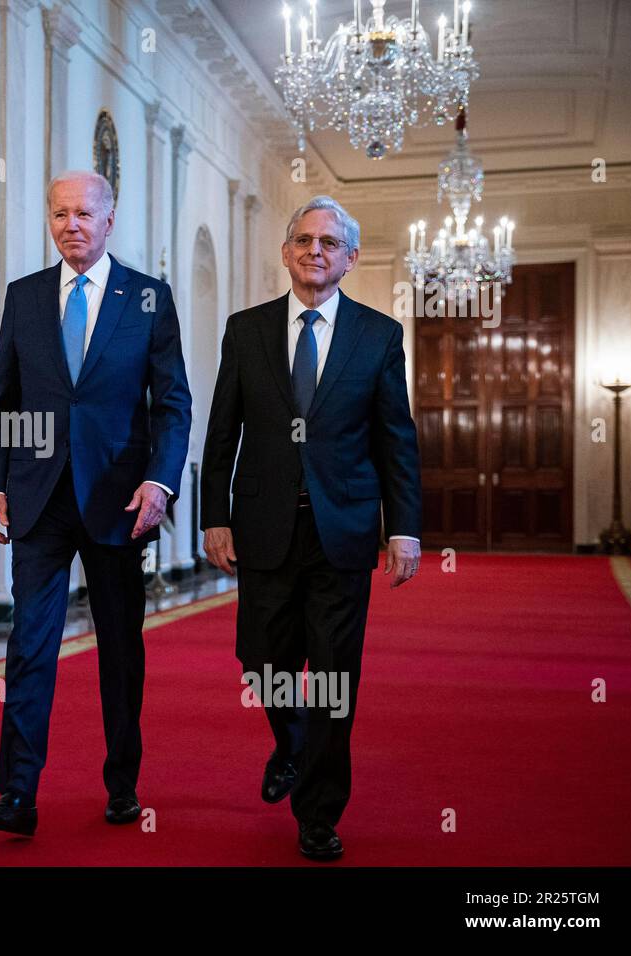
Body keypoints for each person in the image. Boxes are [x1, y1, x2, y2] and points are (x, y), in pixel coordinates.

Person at [199, 195, 421, 861]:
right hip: (263, 528)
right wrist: (213, 517)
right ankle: (291, 741)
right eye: (302, 239)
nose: (314, 250)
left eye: (328, 242)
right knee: (262, 665)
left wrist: (404, 527)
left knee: (331, 675)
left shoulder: (378, 337)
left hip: (343, 533)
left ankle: (319, 813)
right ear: (287, 251)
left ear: (350, 259)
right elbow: (221, 434)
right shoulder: (245, 330)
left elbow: (395, 439)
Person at [0, 170, 191, 836]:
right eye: (61, 213)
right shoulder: (26, 296)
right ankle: (17, 794)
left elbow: (173, 402)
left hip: (119, 501)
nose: (72, 224)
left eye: (84, 214)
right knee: (29, 646)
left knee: (120, 649)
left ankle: (122, 783)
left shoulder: (149, 298)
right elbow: (3, 400)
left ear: (109, 220)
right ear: (51, 220)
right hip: (38, 500)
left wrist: (160, 481)